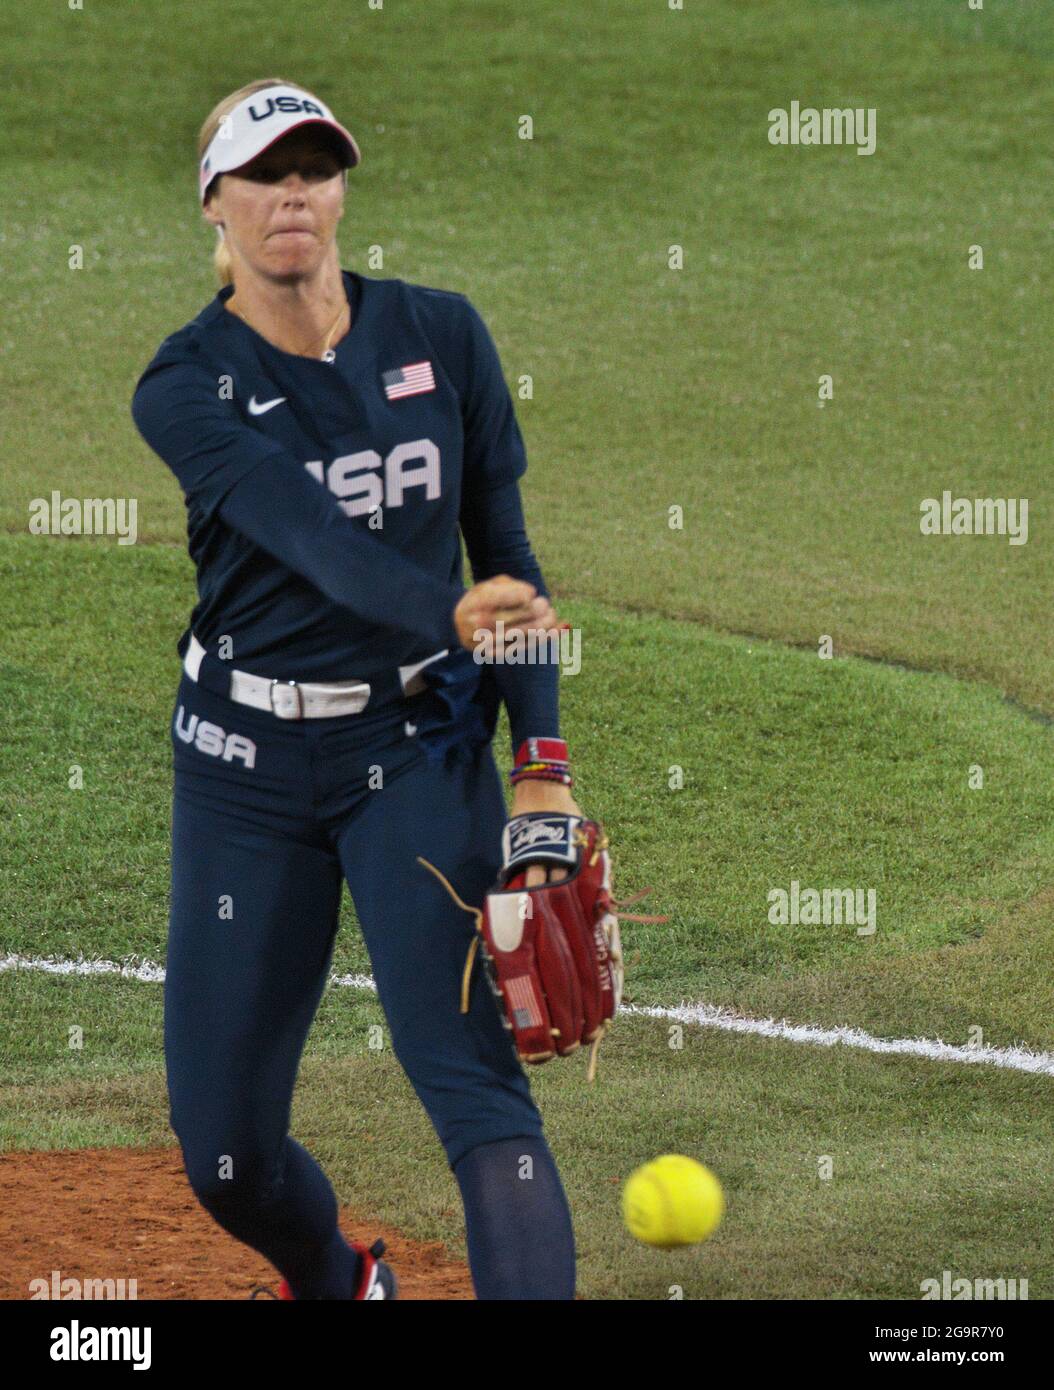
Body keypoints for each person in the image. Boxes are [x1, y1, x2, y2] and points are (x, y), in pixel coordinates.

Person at [130, 78, 585, 1300]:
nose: (294, 193)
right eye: (265, 172)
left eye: (316, 169)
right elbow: (300, 529)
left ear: (340, 191)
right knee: (225, 1152)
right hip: (243, 774)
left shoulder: (443, 335)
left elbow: (512, 570)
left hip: (418, 754)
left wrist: (539, 766)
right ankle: (338, 1282)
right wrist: (440, 610)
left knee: (475, 1085)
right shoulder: (185, 386)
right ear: (213, 205)